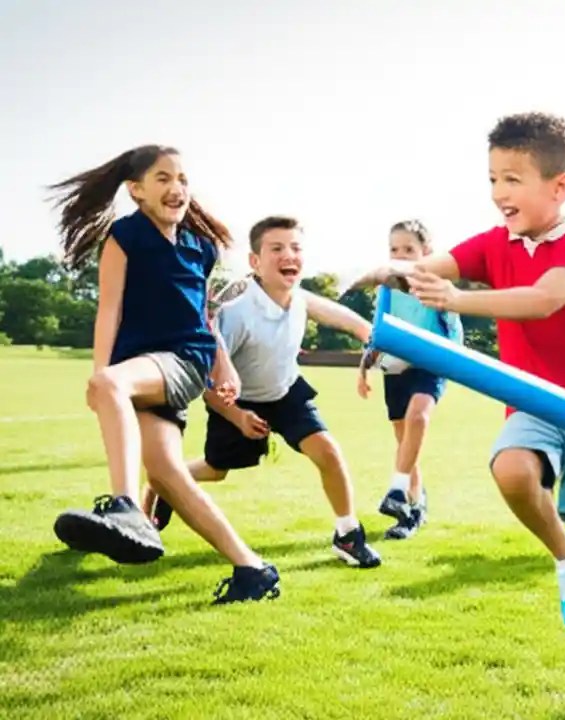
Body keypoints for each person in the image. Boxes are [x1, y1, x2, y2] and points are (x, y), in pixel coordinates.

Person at [389, 112, 565, 689]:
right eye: (493, 179)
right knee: (512, 470)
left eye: (513, 179)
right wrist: (390, 271)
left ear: (559, 186)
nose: (499, 192)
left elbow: (543, 299)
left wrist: (455, 300)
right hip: (532, 400)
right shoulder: (494, 243)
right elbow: (426, 268)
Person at [48, 145, 279, 604]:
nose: (177, 188)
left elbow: (203, 318)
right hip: (141, 370)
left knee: (110, 383)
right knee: (168, 474)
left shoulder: (200, 248)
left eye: (182, 179)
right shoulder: (125, 236)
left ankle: (125, 507)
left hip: (183, 361)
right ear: (136, 190)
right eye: (163, 178)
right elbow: (109, 309)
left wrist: (223, 365)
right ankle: (253, 570)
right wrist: (102, 374)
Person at [142, 216, 382, 569]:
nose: (289, 255)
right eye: (277, 248)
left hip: (285, 392)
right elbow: (205, 380)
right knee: (216, 470)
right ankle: (163, 483)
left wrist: (371, 336)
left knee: (328, 452)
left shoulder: (299, 298)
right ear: (255, 261)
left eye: (296, 248)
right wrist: (237, 416)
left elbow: (343, 318)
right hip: (237, 400)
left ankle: (347, 535)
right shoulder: (235, 312)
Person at [357, 220, 464, 540]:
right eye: (394, 249)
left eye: (408, 249)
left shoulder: (436, 283)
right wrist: (364, 367)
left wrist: (451, 361)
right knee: (405, 441)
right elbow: (379, 330)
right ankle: (413, 507)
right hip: (395, 368)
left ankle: (397, 489)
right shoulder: (386, 287)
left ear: (426, 252)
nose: (400, 255)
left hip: (431, 364)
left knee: (419, 416)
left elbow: (453, 328)